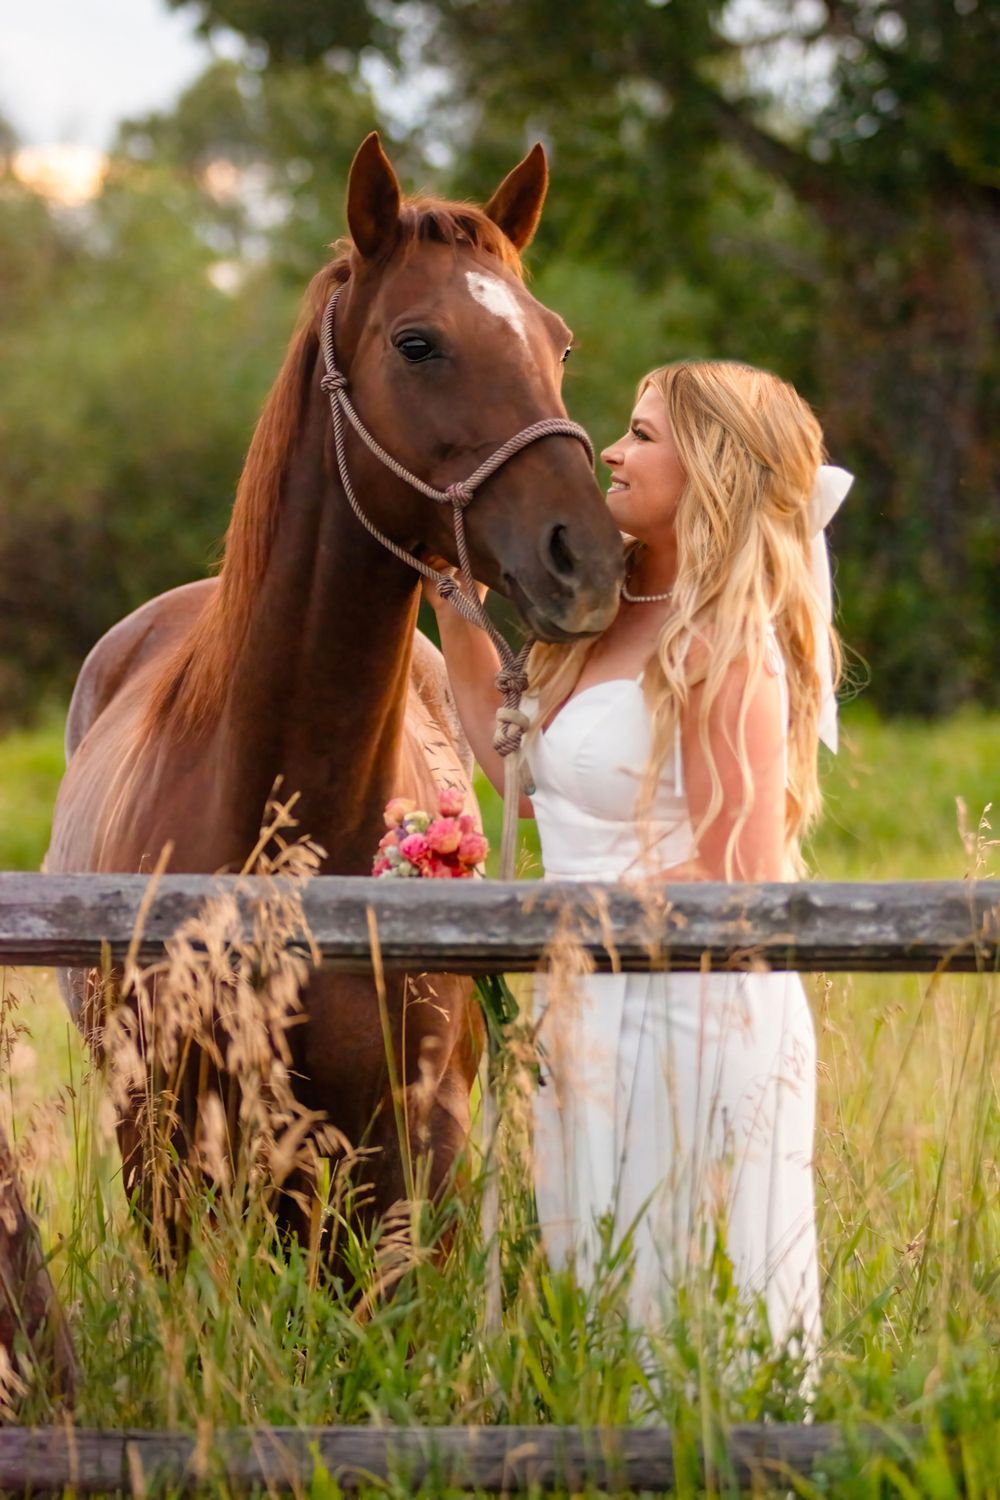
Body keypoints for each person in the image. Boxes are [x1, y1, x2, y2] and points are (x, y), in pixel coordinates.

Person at [424, 358, 851, 1357]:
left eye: (642, 434)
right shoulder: (602, 622)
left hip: (689, 1016)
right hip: (587, 1009)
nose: (609, 452)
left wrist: (563, 924)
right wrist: (453, 608)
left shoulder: (724, 647)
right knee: (601, 1298)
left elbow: (735, 883)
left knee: (685, 1305)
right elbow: (518, 767)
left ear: (710, 468)